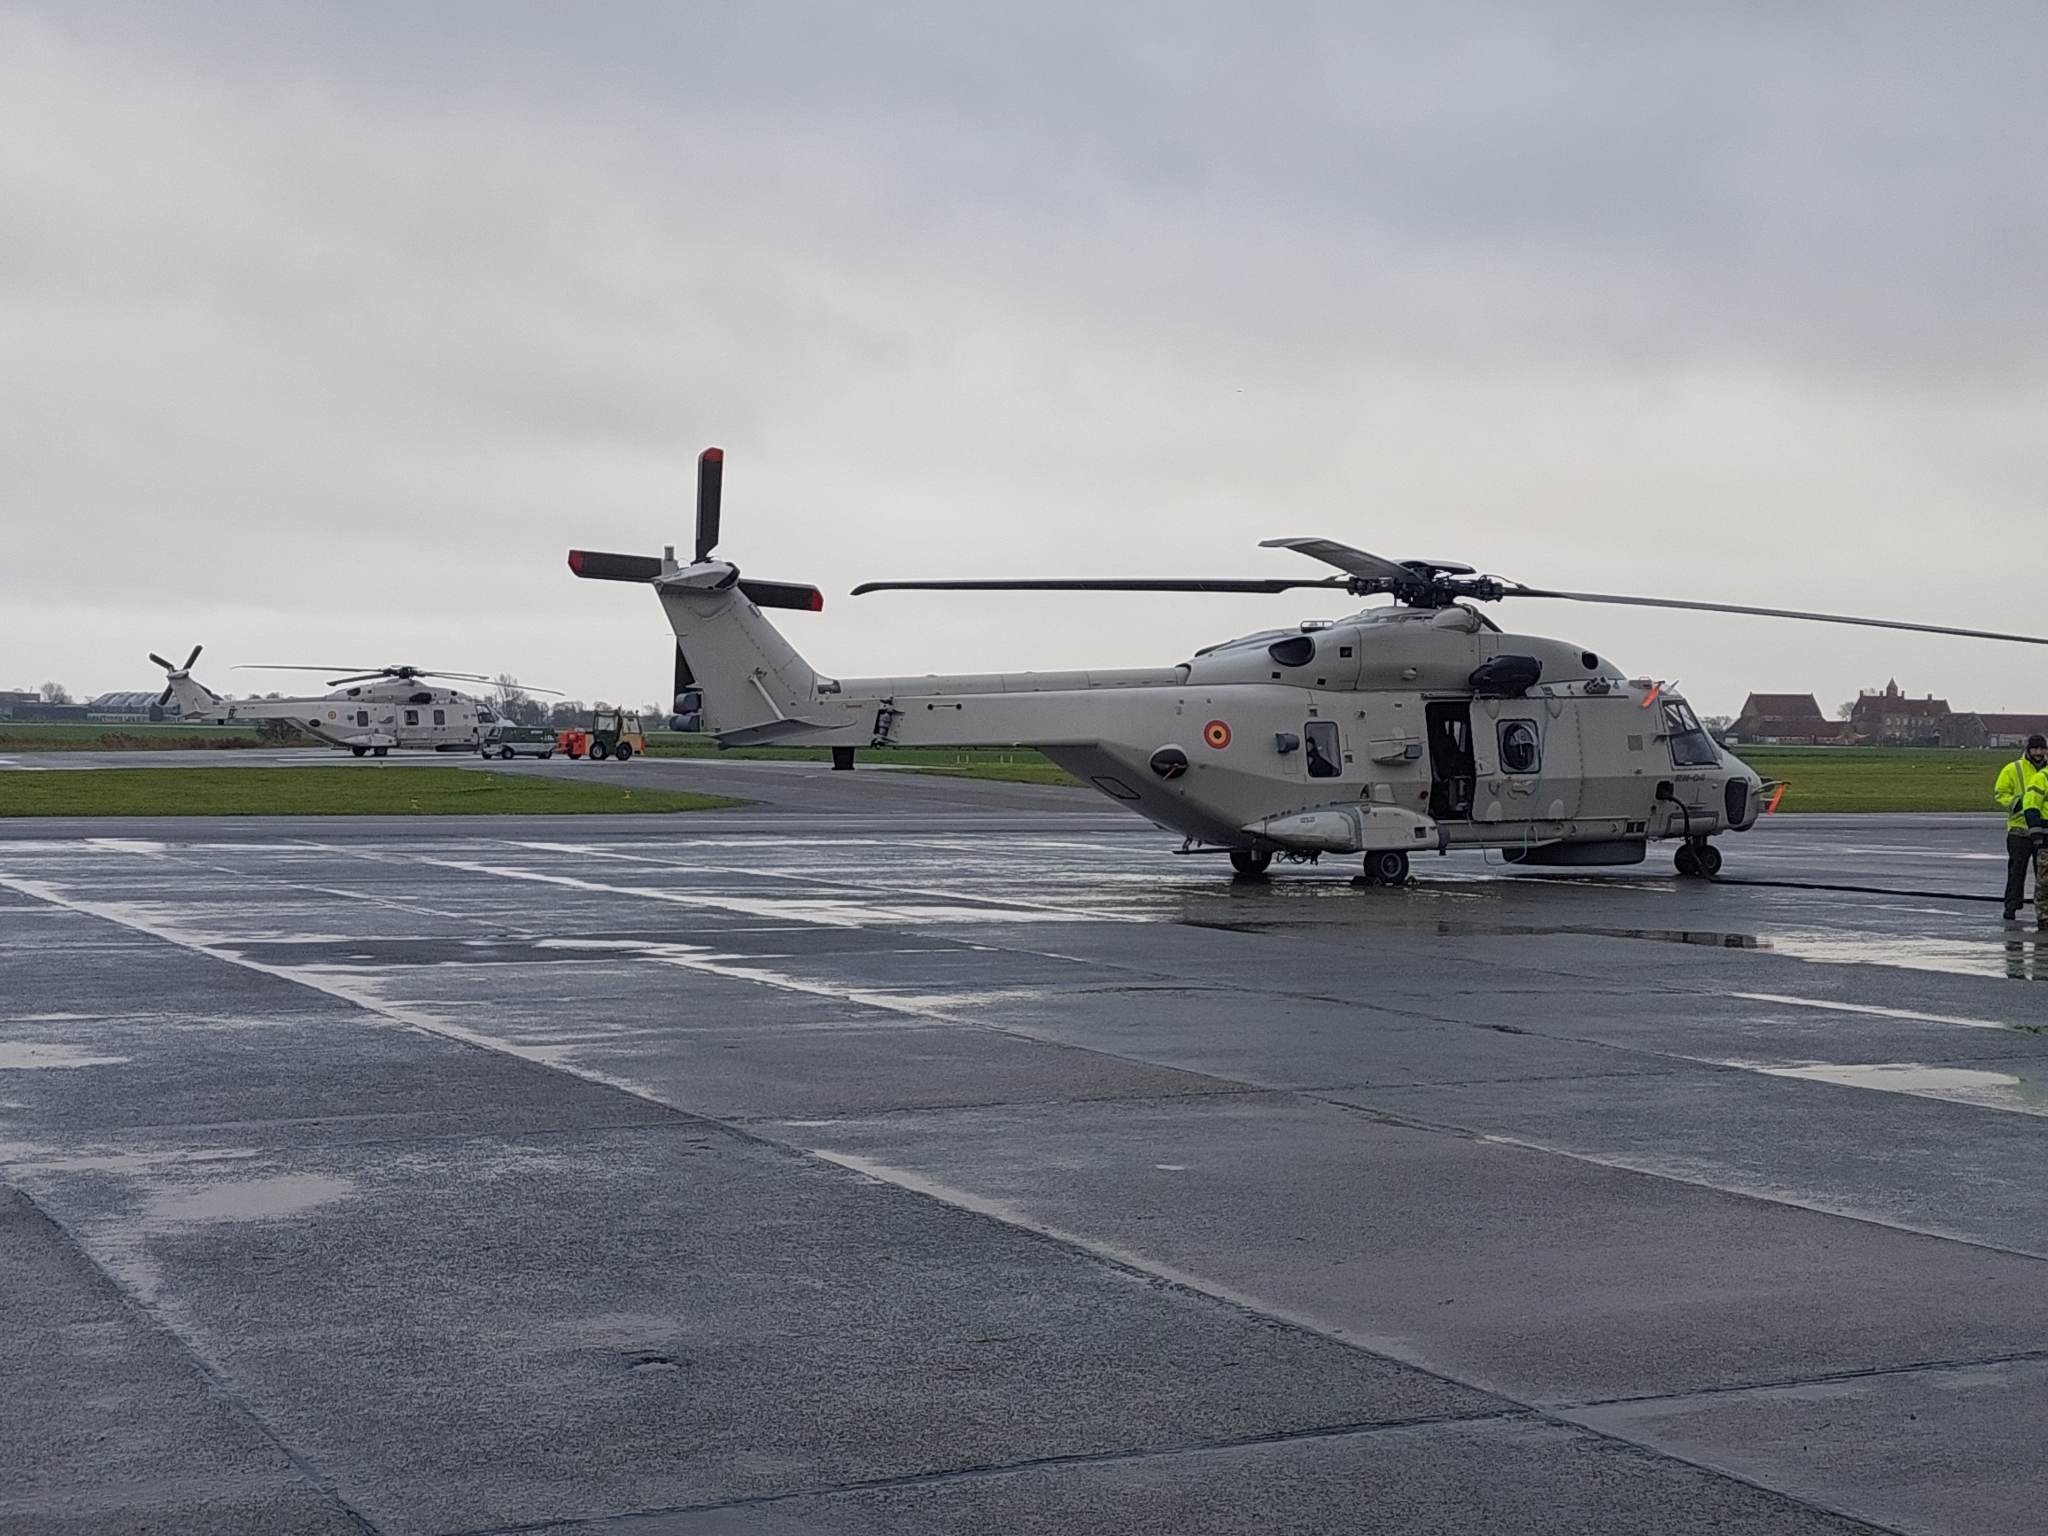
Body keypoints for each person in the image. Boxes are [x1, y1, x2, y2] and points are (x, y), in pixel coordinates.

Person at [1997, 734, 2048, 920]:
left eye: (2042, 749)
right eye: (2035, 749)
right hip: (2019, 829)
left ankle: (2042, 911)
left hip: (2042, 829)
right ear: (2028, 749)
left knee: (2043, 875)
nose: (2039, 753)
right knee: (2017, 871)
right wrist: (2016, 803)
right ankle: (2011, 907)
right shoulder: (2013, 769)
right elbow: (2000, 793)